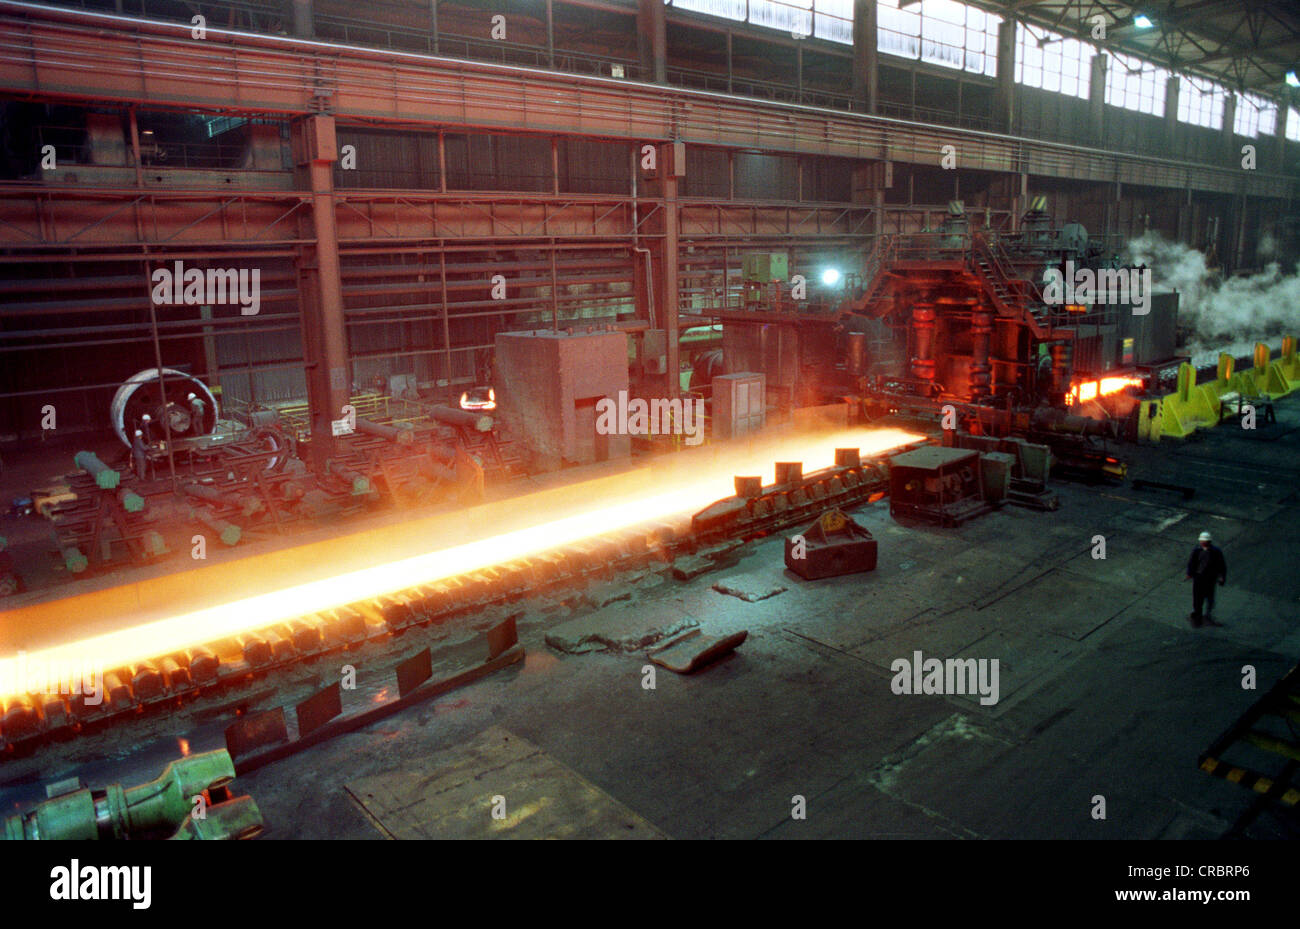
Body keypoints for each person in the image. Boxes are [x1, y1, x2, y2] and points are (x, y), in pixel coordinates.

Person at [1185, 531, 1226, 627]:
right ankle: (1197, 612)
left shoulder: (1216, 551)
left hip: (1210, 578)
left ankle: (1207, 613)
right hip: (1199, 577)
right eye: (1202, 541)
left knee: (1209, 597)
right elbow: (1192, 562)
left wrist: (1221, 577)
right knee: (1197, 596)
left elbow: (1221, 565)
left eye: (1204, 541)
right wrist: (1190, 573)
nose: (1202, 543)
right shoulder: (1197, 550)